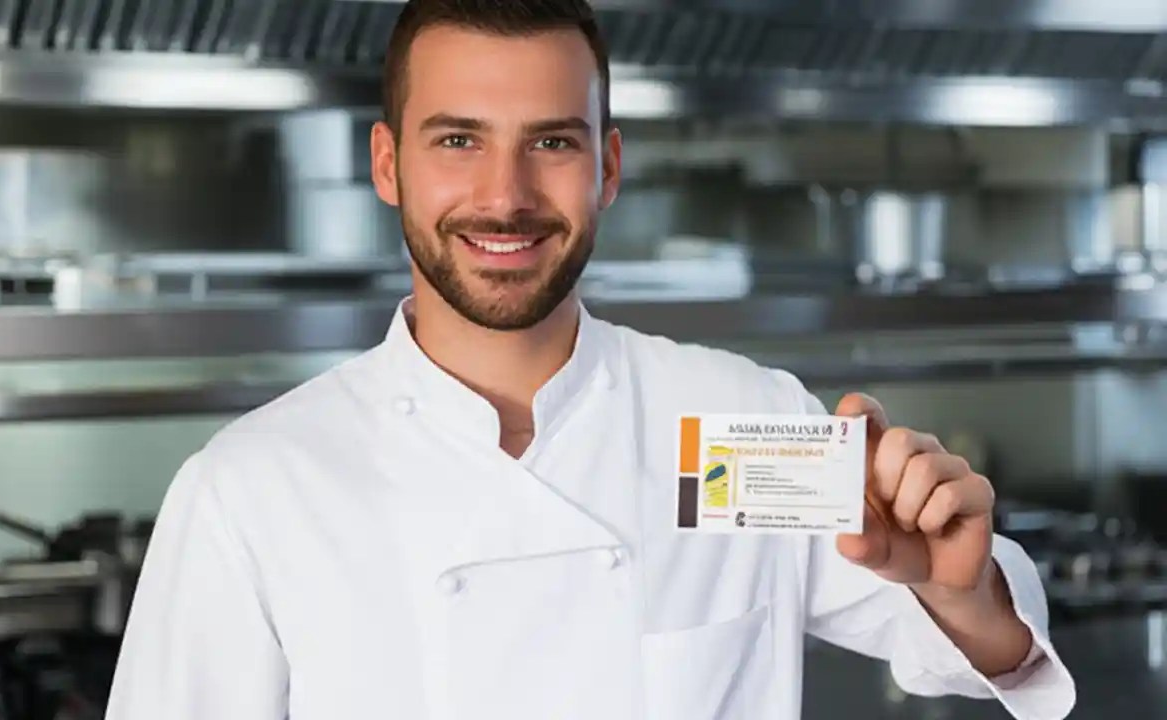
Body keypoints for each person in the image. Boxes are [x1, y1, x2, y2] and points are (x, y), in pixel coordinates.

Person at [104, 1, 1076, 718]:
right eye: (457, 139)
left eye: (551, 142)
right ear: (387, 164)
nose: (505, 194)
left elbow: (975, 647)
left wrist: (957, 589)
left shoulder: (728, 427)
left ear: (606, 165)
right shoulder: (252, 489)